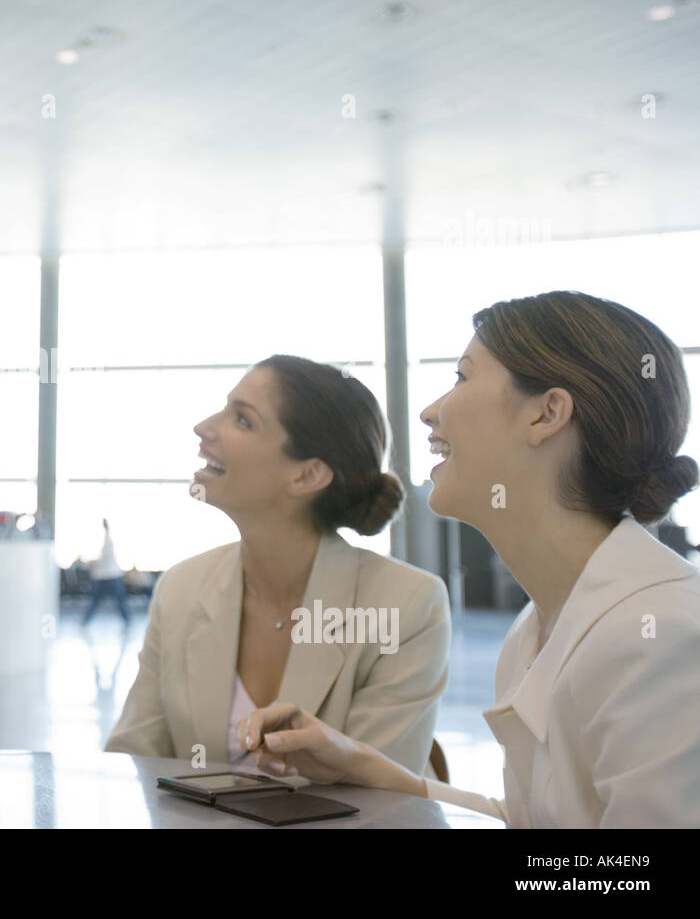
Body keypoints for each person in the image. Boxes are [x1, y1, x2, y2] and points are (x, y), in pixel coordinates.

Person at [242, 292, 700, 827]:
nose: (429, 411)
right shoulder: (539, 627)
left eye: (462, 378)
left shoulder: (661, 635)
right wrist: (366, 767)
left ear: (546, 413)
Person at [106, 356, 451, 777]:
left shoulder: (406, 606)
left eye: (242, 420)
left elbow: (376, 799)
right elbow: (132, 759)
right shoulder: (183, 588)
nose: (204, 428)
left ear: (307, 475)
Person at [83, 518, 130, 628]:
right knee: (99, 600)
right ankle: (85, 621)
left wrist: (94, 563)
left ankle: (128, 621)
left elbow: (105, 559)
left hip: (108, 575)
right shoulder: (106, 539)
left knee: (115, 600)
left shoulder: (108, 540)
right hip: (108, 576)